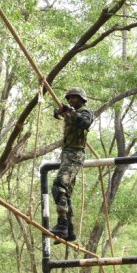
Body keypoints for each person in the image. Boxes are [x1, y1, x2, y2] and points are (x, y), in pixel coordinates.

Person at [49, 87, 94, 241]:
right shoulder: (70, 111)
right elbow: (59, 113)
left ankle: (62, 224)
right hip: (67, 153)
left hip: (75, 153)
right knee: (65, 192)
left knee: (58, 185)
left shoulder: (85, 111)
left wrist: (70, 111)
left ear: (81, 99)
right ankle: (69, 230)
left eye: (73, 98)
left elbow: (85, 123)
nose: (70, 100)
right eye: (69, 98)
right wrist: (59, 111)